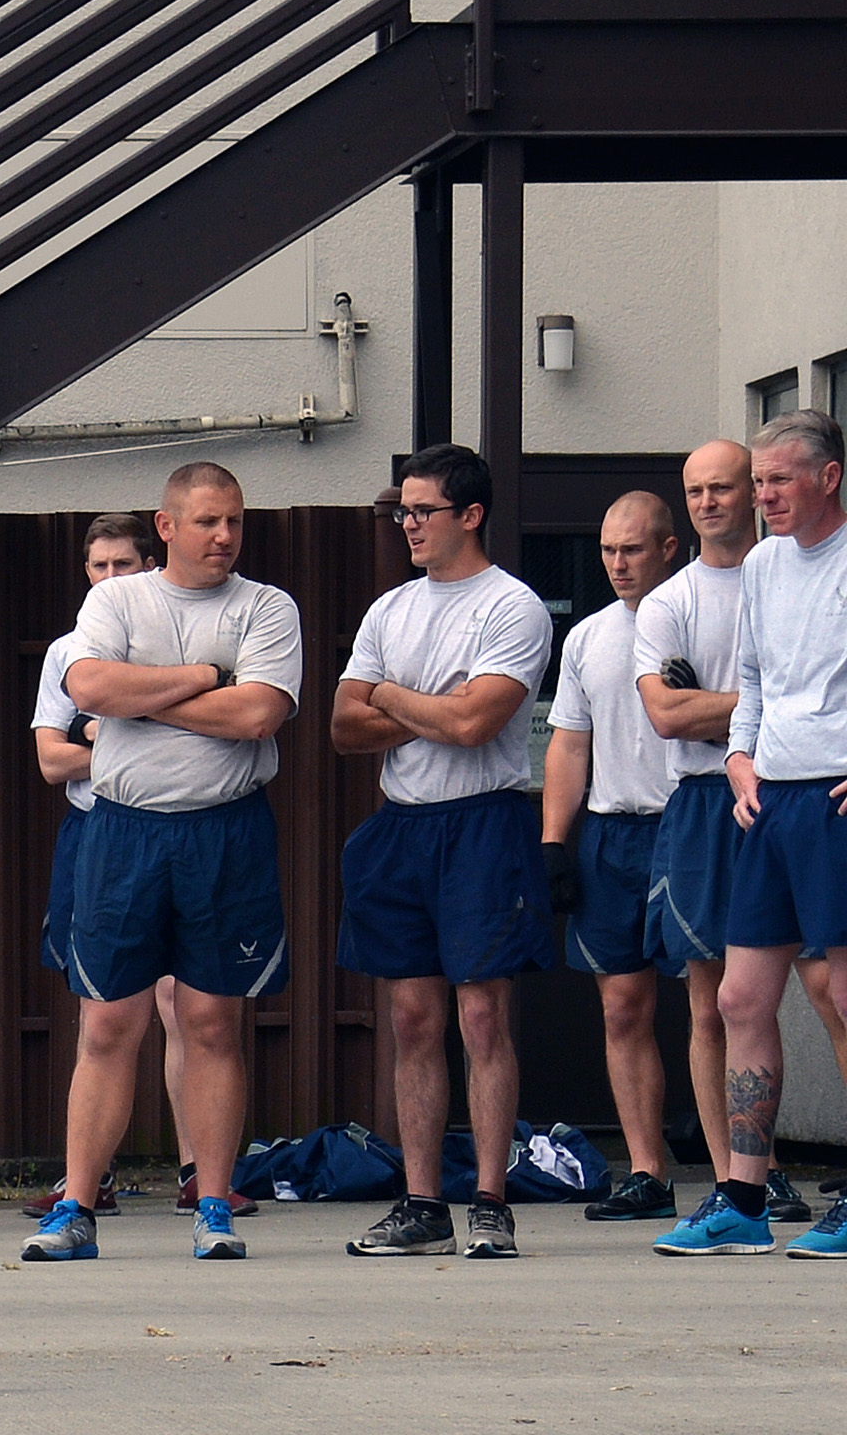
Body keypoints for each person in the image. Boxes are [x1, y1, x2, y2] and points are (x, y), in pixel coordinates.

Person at [21, 462, 304, 1264]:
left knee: (213, 1021)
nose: (225, 537)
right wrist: (203, 678)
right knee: (109, 1022)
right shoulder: (115, 599)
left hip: (226, 833)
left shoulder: (266, 607)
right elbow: (89, 685)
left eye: (236, 522)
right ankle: (77, 1206)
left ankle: (211, 1202)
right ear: (168, 526)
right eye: (209, 521)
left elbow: (259, 713)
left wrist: (142, 699)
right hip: (123, 833)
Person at [329, 442, 556, 1259]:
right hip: (403, 821)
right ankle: (422, 1201)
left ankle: (490, 1199)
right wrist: (420, 699)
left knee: (482, 1013)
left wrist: (387, 693)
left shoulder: (512, 607)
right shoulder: (391, 610)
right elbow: (343, 725)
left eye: (422, 511)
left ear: (471, 515)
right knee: (414, 1016)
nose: (408, 525)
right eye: (402, 511)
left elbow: (476, 724)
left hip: (482, 822)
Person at [662, 409, 847, 1259]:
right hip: (769, 801)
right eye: (759, 480)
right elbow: (751, 676)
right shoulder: (768, 564)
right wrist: (740, 759)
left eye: (778, 480)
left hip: (834, 802)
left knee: (841, 996)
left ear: (828, 478)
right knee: (739, 998)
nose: (763, 496)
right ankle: (742, 1195)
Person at [543, 493, 687, 1219]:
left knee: (724, 1001)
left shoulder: (703, 613)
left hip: (689, 821)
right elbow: (570, 743)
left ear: (668, 547)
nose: (617, 564)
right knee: (623, 1006)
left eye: (632, 549)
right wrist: (553, 844)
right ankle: (647, 1170)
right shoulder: (589, 637)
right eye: (607, 551)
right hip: (611, 830)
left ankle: (756, 1169)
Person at [25, 513, 155, 1222]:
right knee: (99, 1008)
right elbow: (52, 760)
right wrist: (130, 738)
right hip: (93, 826)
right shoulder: (68, 652)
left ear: (150, 564)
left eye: (124, 565)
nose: (110, 578)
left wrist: (109, 733)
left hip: (170, 823)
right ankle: (90, 1178)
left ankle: (203, 1176)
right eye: (99, 566)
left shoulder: (170, 636)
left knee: (181, 1002)